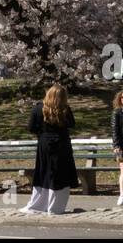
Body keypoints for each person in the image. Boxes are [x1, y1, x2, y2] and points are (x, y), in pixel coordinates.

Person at [21, 84, 77, 216]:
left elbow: (31, 128)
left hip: (45, 143)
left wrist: (42, 133)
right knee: (60, 175)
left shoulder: (38, 108)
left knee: (44, 173)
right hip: (62, 144)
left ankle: (38, 205)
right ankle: (56, 207)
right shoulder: (65, 109)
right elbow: (72, 124)